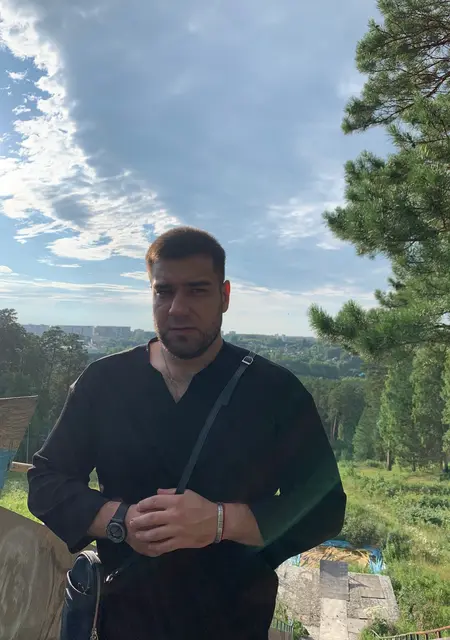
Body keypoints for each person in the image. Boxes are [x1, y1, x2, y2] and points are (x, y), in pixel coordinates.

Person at [27, 226, 346, 640]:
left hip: (234, 624)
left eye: (197, 290)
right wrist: (121, 521)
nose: (178, 308)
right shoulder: (104, 383)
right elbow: (46, 481)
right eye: (164, 292)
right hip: (123, 620)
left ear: (224, 296)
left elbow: (325, 508)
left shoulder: (276, 391)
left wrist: (220, 522)